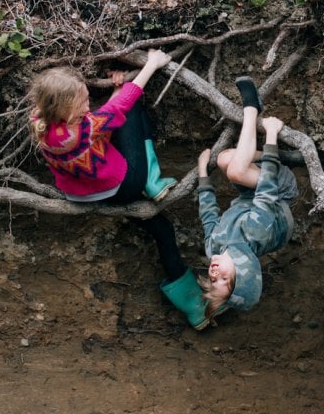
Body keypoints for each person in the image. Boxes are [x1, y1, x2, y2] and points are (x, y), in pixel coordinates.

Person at [27, 49, 207, 329]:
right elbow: (121, 106)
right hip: (121, 186)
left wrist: (115, 91)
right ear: (64, 108)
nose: (88, 105)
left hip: (83, 192)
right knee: (132, 105)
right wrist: (152, 64)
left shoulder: (42, 124)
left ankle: (196, 308)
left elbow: (101, 120)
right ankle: (151, 181)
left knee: (161, 228)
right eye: (83, 101)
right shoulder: (83, 129)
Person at [196, 76, 299, 317]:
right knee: (236, 170)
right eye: (224, 278)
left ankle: (279, 154)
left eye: (212, 280)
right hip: (279, 192)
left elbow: (209, 216)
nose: (214, 273)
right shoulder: (255, 231)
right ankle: (251, 107)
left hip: (250, 196)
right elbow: (267, 190)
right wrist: (272, 135)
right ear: (243, 271)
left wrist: (203, 172)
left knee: (224, 159)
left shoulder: (214, 248)